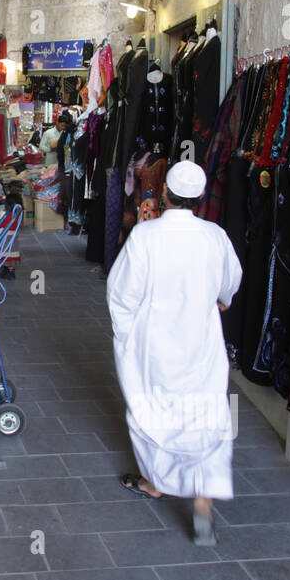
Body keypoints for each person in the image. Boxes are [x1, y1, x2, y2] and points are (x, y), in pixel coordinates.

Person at [106, 160, 242, 545]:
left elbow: (122, 296)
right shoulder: (215, 236)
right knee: (205, 412)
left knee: (153, 410)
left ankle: (155, 481)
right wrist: (222, 301)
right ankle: (202, 504)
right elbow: (230, 283)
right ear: (199, 198)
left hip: (155, 344)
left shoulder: (145, 237)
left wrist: (126, 336)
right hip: (201, 340)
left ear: (164, 192)